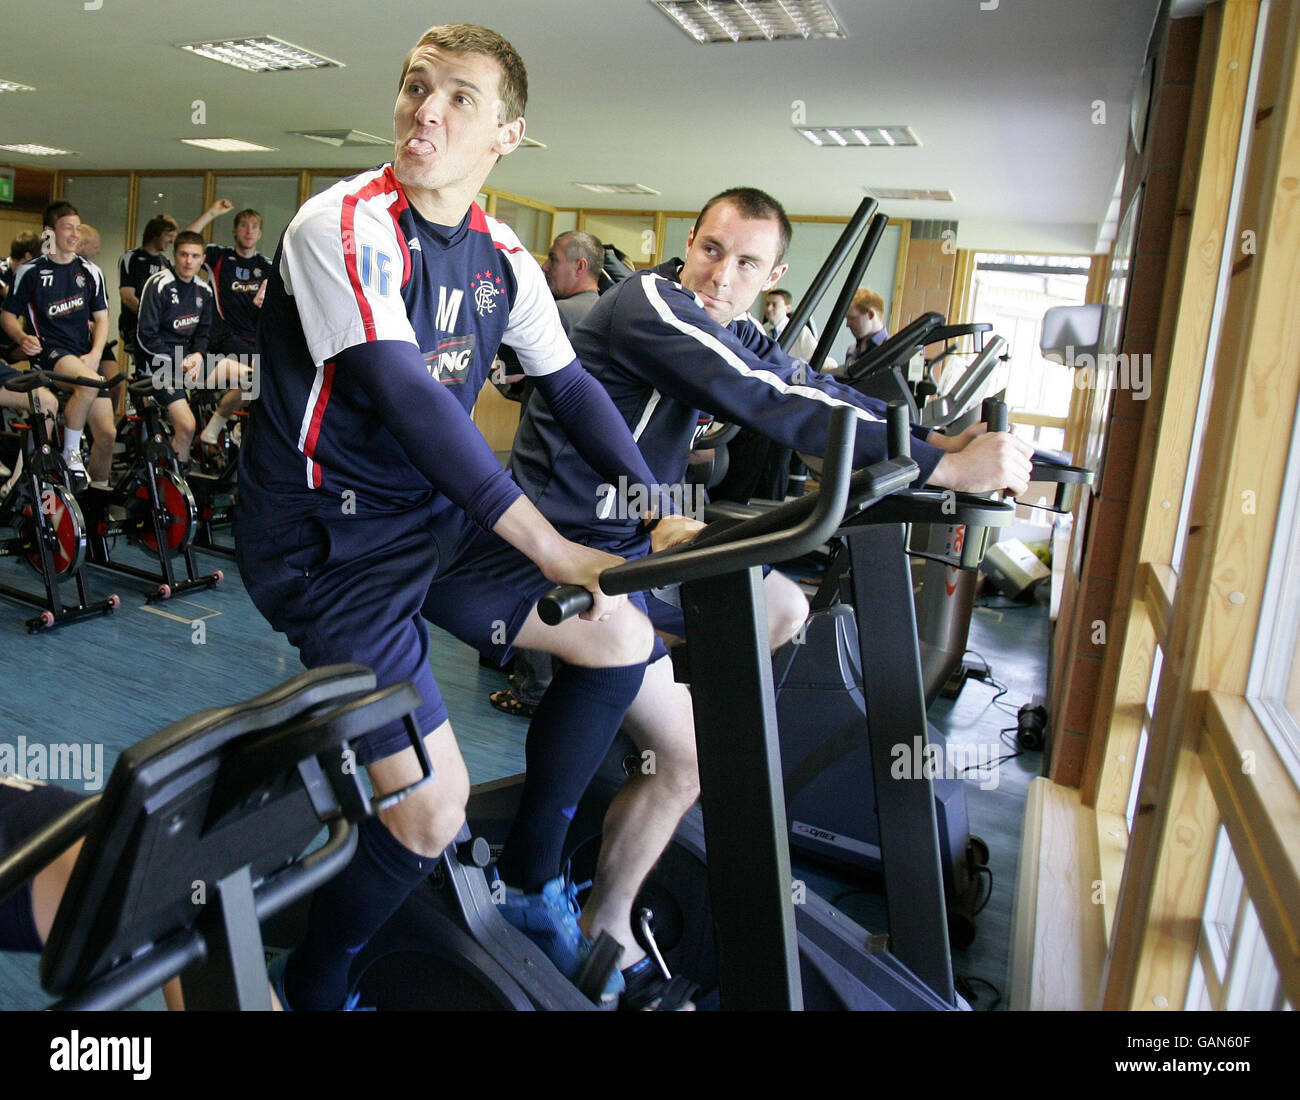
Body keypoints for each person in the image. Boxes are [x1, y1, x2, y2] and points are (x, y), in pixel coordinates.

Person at [237, 23, 679, 1011]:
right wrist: (549, 542)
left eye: (459, 97)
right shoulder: (342, 225)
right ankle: (317, 977)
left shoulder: (502, 256)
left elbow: (568, 387)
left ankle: (529, 884)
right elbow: (409, 399)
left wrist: (655, 504)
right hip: (326, 542)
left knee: (619, 632)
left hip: (429, 524)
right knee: (430, 811)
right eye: (414, 86)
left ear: (506, 132)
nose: (425, 110)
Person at [506, 186, 1034, 1006]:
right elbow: (765, 399)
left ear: (773, 272)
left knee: (746, 664)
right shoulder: (649, 301)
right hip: (555, 554)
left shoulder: (732, 325)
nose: (722, 273)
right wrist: (941, 468)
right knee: (634, 649)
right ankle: (530, 879)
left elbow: (793, 377)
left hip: (628, 546)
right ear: (691, 242)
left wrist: (932, 446)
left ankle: (605, 913)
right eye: (713, 249)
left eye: (746, 262)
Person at [490, 229, 608, 721]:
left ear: (580, 267)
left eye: (555, 260)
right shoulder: (608, 314)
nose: (545, 269)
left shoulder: (560, 316)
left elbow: (506, 377)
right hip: (588, 479)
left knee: (530, 570)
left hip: (542, 467)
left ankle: (533, 686)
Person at [0, 202, 117, 491]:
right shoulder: (30, 271)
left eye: (78, 228)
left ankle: (96, 498)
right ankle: (71, 454)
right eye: (68, 228)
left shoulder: (91, 272)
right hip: (50, 355)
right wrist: (21, 337)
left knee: (107, 434)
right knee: (89, 383)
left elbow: (102, 319)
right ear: (50, 232)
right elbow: (7, 316)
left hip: (83, 356)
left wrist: (95, 353)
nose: (75, 234)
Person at [134, 231, 253, 464]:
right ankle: (176, 479)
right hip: (160, 366)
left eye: (195, 256)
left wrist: (198, 355)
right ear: (174, 255)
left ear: (202, 259)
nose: (189, 261)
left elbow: (204, 334)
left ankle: (211, 433)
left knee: (253, 378)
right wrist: (178, 360)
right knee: (187, 426)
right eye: (183, 255)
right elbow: (145, 336)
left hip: (191, 363)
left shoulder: (204, 290)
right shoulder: (158, 284)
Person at [186, 200, 271, 363]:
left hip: (255, 338)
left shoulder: (267, 266)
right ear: (235, 231)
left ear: (260, 234)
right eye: (243, 225)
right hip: (223, 337)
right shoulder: (219, 256)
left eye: (254, 227)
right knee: (255, 371)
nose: (249, 231)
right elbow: (187, 242)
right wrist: (212, 212)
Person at [118, 214, 177, 376]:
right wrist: (151, 319)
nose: (172, 241)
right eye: (169, 236)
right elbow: (128, 297)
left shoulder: (166, 262)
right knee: (149, 371)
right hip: (134, 326)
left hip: (160, 328)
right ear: (156, 234)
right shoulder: (132, 258)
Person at [542, 230, 602, 334]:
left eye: (553, 259)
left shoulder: (559, 312)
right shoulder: (606, 312)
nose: (545, 267)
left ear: (579, 267)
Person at [762, 287, 818, 362]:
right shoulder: (761, 329)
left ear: (788, 308)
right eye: (767, 304)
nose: (768, 308)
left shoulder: (799, 330)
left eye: (774, 304)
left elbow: (816, 358)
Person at [843, 285, 889, 372]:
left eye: (852, 318)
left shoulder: (890, 351)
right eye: (847, 318)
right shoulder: (852, 350)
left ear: (870, 314)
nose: (847, 324)